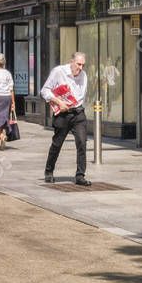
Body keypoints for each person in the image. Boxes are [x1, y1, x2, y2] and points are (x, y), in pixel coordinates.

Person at [41, 51, 91, 186]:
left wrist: (73, 105)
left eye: (83, 65)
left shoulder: (84, 75)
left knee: (82, 143)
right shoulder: (59, 71)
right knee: (57, 143)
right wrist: (59, 102)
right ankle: (49, 171)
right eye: (78, 64)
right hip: (63, 114)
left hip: (78, 113)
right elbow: (44, 91)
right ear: (71, 62)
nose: (80, 68)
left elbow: (81, 96)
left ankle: (80, 176)